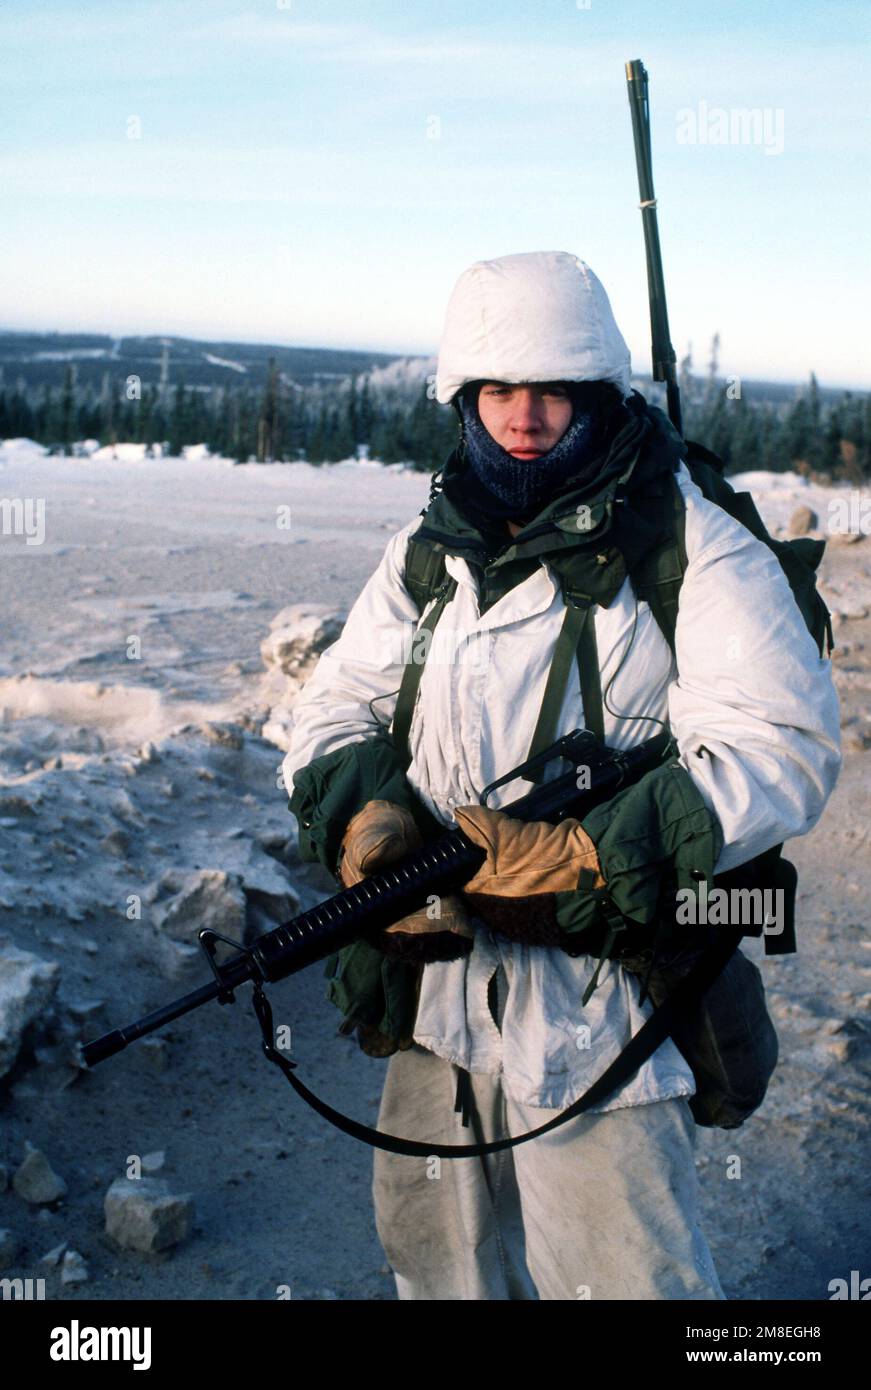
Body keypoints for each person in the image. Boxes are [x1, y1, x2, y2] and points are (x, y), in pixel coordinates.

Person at [281, 249, 841, 1301]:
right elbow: (332, 707)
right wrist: (367, 823)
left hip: (597, 1002)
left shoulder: (689, 544)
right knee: (439, 1265)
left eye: (549, 389)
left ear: (595, 395)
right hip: (435, 985)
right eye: (497, 388)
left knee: (625, 1280)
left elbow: (784, 745)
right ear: (465, 397)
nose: (522, 415)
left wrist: (589, 849)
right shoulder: (428, 545)